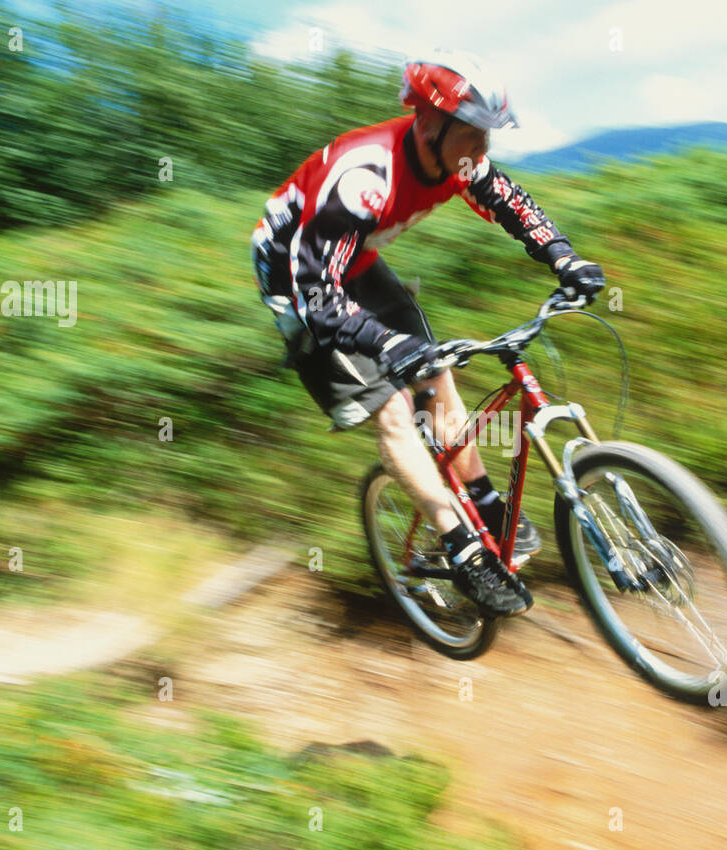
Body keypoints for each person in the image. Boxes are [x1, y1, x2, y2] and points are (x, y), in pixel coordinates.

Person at [252, 49, 605, 617]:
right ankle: (459, 545)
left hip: (355, 263)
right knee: (392, 408)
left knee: (437, 377)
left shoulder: (458, 157)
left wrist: (563, 257)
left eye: (488, 138)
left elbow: (509, 203)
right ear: (430, 124)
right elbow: (317, 293)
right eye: (473, 136)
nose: (482, 152)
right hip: (299, 281)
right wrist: (385, 344)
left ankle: (488, 511)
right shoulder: (365, 178)